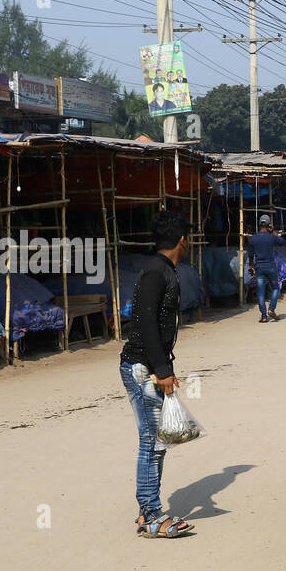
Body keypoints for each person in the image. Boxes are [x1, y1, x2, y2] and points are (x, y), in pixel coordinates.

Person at [119, 210, 193, 539]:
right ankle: (151, 514)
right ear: (181, 240)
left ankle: (146, 510)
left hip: (151, 366)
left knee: (159, 442)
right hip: (140, 367)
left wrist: (167, 369)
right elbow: (146, 323)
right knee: (151, 443)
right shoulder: (156, 272)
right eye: (188, 238)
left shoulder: (163, 269)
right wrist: (161, 370)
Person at [247, 214, 283, 322]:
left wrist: (251, 266)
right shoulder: (271, 237)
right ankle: (271, 309)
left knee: (261, 293)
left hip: (259, 267)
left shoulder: (253, 239)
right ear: (268, 225)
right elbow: (282, 242)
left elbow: (250, 255)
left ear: (259, 224)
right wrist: (273, 233)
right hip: (270, 266)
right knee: (276, 288)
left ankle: (263, 316)